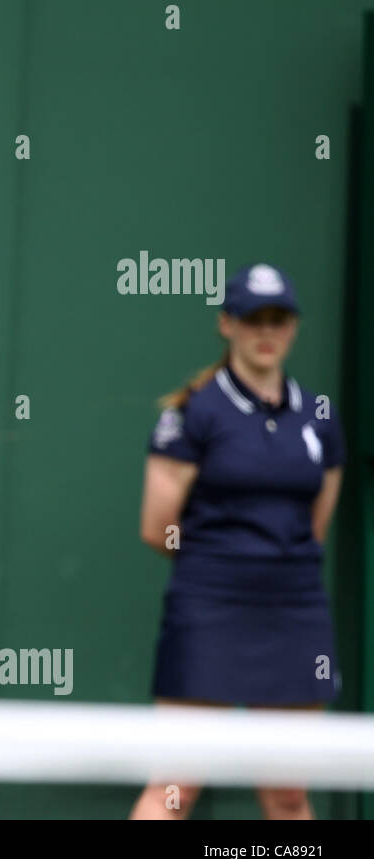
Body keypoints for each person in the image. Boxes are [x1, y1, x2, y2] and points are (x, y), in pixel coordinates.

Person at [131, 263, 344, 820]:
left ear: (294, 326)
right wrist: (224, 565)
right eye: (253, 319)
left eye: (279, 319)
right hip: (209, 606)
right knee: (174, 786)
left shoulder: (320, 417)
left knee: (289, 792)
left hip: (296, 611)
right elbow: (159, 527)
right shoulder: (193, 413)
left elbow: (315, 522)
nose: (266, 331)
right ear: (228, 324)